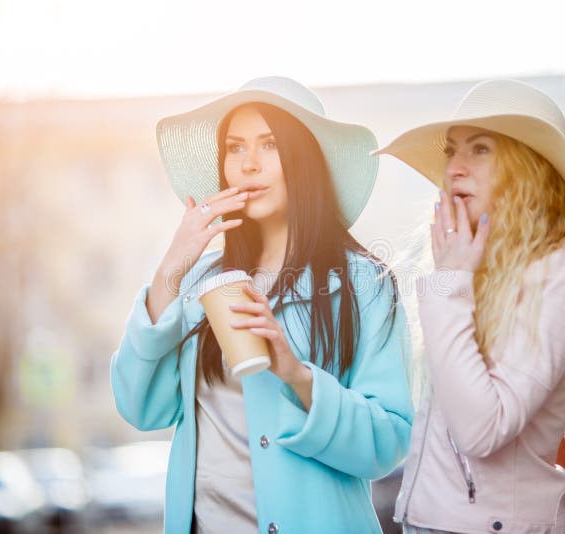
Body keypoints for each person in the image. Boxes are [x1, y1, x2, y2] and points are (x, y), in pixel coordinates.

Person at [110, 76, 413, 534]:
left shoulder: (363, 283)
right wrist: (173, 265)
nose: (248, 164)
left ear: (305, 162)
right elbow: (140, 408)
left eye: (269, 145)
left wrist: (298, 375)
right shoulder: (201, 281)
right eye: (235, 148)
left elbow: (387, 443)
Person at [375, 79, 565, 533]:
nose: (455, 167)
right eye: (451, 150)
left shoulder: (563, 275)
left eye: (479, 149)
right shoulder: (479, 267)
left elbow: (481, 430)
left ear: (529, 169)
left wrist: (450, 282)